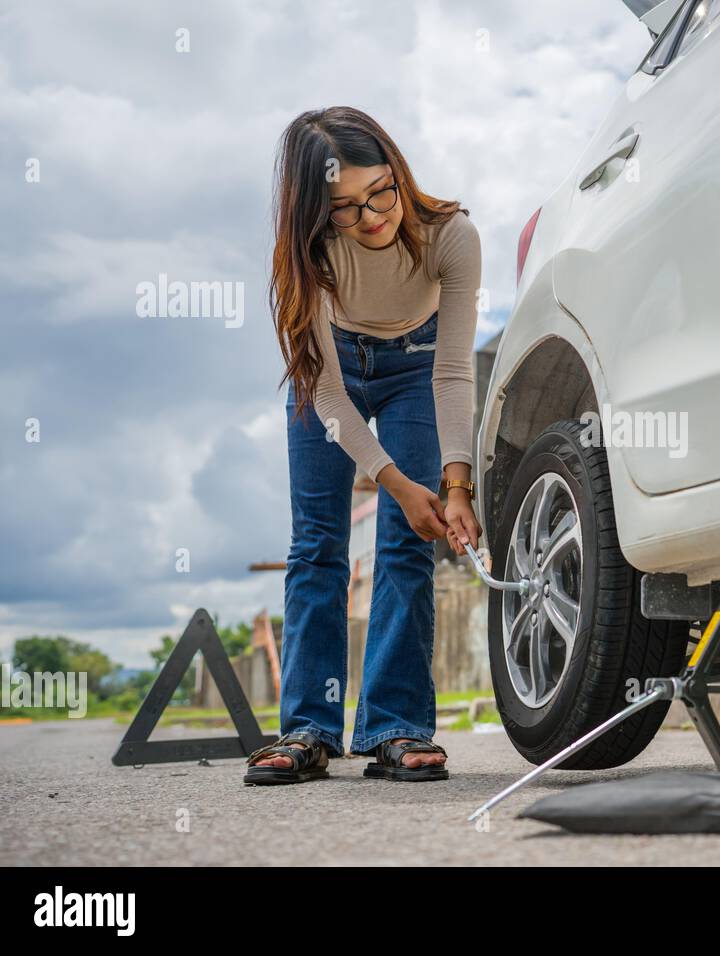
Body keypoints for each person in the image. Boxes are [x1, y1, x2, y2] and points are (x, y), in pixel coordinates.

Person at [244, 106, 481, 785]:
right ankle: (310, 728)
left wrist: (454, 487)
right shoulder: (309, 256)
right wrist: (395, 483)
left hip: (418, 364)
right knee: (317, 545)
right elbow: (326, 399)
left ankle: (394, 725)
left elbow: (455, 370)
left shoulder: (451, 236)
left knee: (409, 540)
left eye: (382, 191)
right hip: (331, 375)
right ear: (316, 213)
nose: (374, 217)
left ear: (398, 172)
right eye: (346, 209)